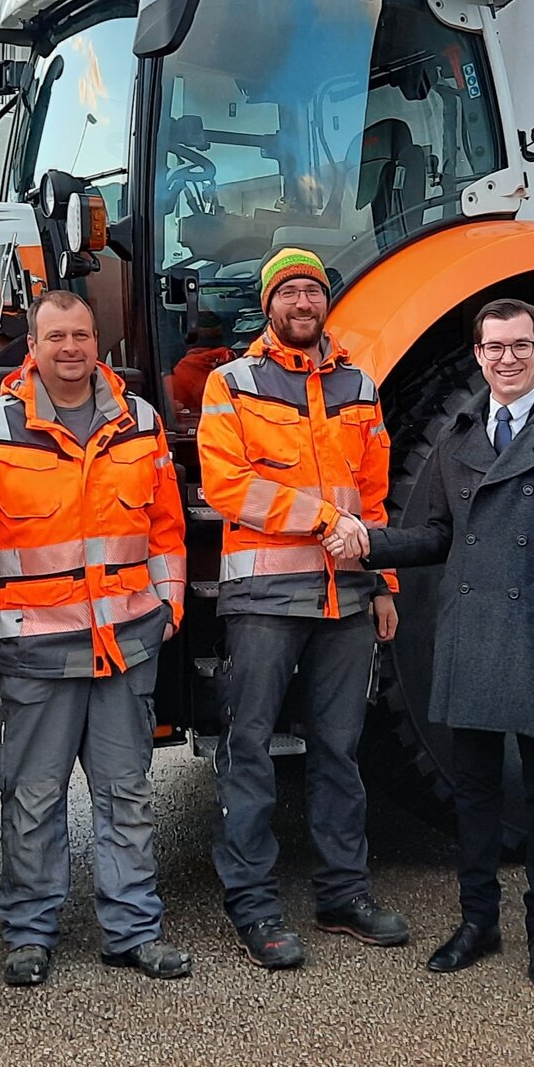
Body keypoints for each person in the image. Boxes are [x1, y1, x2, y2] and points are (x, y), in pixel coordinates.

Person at [0, 291, 192, 988]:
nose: (70, 348)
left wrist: (169, 602)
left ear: (96, 341)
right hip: (38, 653)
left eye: (81, 334)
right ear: (34, 347)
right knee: (32, 796)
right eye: (56, 336)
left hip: (124, 647)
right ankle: (29, 933)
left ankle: (133, 930)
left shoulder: (139, 420)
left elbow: (166, 524)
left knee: (127, 794)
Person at [357, 298, 534, 987]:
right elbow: (438, 534)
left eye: (519, 345)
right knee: (473, 790)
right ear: (478, 354)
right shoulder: (461, 434)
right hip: (470, 633)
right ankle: (477, 920)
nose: (507, 357)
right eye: (494, 346)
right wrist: (372, 543)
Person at [197, 246, 408, 968]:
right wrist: (320, 520)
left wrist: (384, 582)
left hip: (347, 597)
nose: (302, 304)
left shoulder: (359, 384)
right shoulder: (231, 384)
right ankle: (254, 905)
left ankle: (343, 894)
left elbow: (374, 497)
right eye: (287, 292)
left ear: (325, 303)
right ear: (268, 307)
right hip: (263, 597)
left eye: (311, 292)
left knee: (339, 752)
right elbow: (227, 485)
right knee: (249, 749)